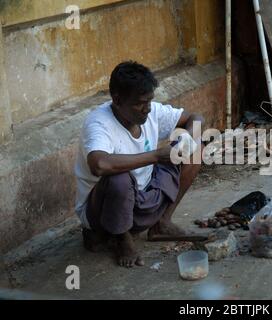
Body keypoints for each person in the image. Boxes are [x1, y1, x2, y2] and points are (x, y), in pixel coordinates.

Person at [74, 61, 204, 268]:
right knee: (118, 177)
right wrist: (156, 156)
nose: (147, 109)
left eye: (149, 100)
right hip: (104, 209)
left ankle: (162, 222)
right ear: (117, 99)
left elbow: (196, 118)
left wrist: (188, 139)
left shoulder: (150, 110)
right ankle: (121, 238)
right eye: (140, 103)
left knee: (195, 151)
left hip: (144, 194)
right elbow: (99, 164)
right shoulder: (99, 123)